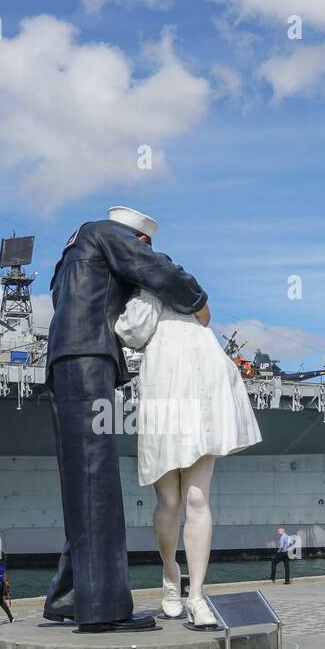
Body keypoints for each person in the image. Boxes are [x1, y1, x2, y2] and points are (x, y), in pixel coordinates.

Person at [42, 206, 208, 633]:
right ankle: (104, 608)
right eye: (143, 245)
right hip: (88, 358)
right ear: (139, 239)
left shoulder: (70, 253)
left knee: (79, 485)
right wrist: (198, 299)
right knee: (98, 481)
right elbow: (158, 272)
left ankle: (70, 595)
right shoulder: (110, 235)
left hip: (63, 361)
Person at [127, 265, 261, 628]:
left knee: (197, 500)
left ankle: (197, 594)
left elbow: (203, 317)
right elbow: (131, 332)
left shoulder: (190, 300)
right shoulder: (148, 297)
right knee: (169, 502)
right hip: (165, 401)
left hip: (202, 400)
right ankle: (171, 575)